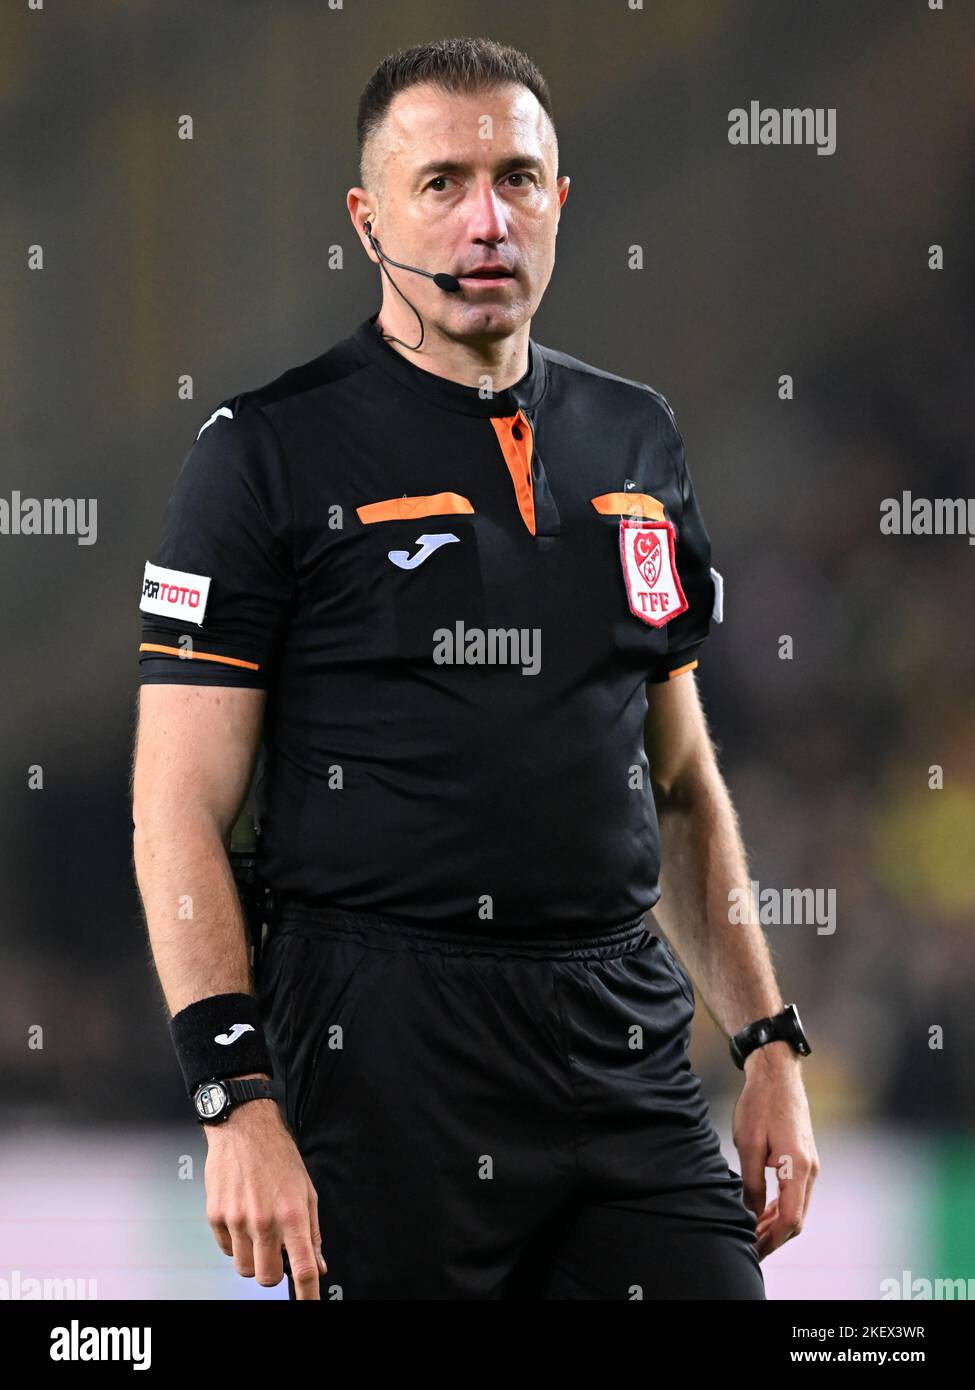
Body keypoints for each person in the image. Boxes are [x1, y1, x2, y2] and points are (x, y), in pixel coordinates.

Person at [132, 35, 819, 1301]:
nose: (486, 219)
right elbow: (175, 803)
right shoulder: (263, 455)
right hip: (381, 1049)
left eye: (517, 177)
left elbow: (675, 783)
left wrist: (767, 1039)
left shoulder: (635, 433)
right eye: (441, 182)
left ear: (563, 200)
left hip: (621, 1037)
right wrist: (234, 1098)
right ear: (367, 215)